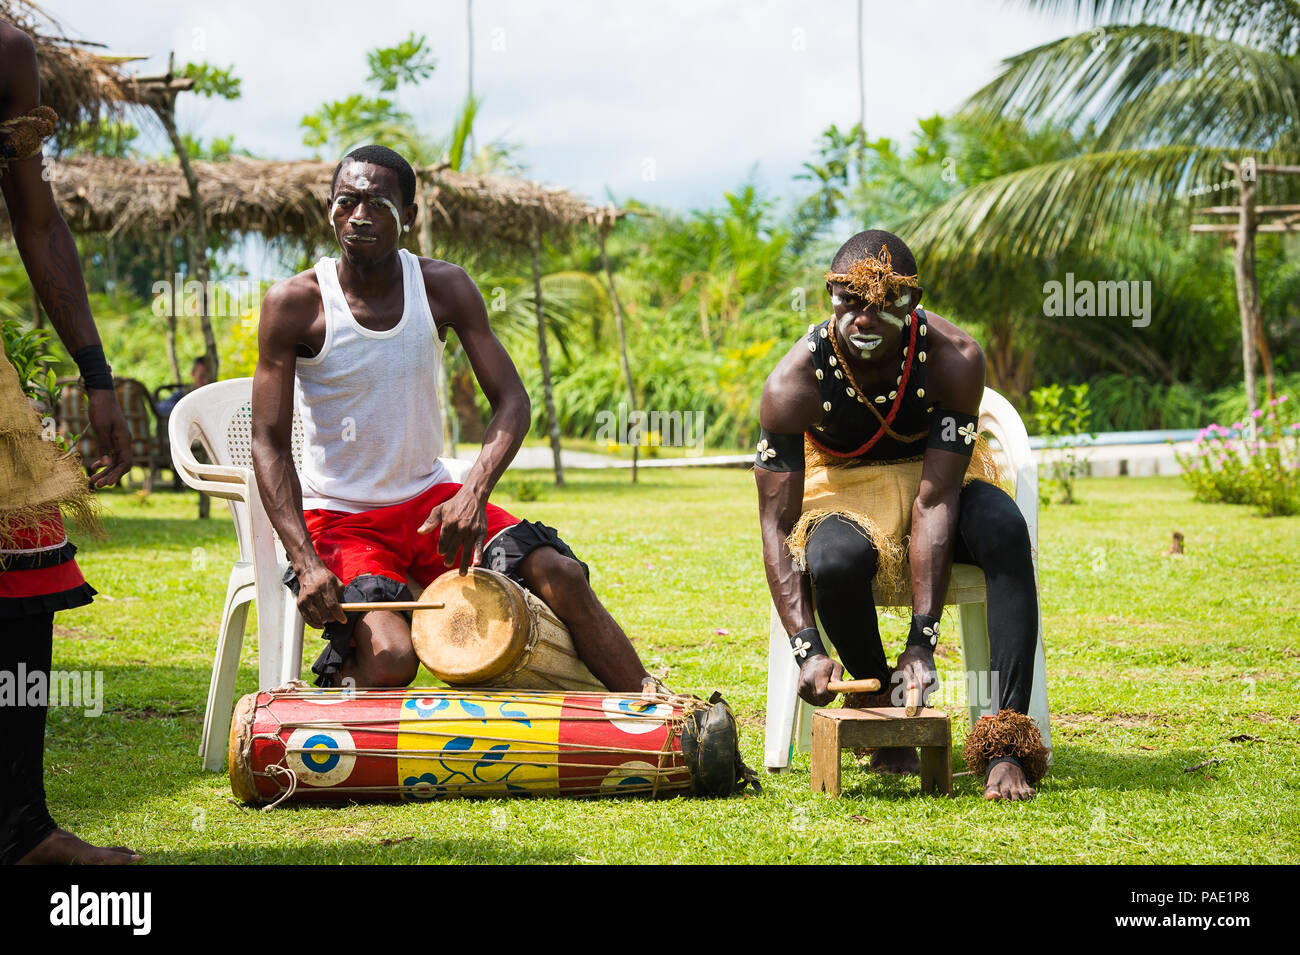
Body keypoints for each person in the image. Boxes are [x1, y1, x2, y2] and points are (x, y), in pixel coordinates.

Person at [252, 144, 656, 694]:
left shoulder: (442, 286)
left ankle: (660, 716)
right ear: (329, 208)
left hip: (430, 506)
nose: (360, 216)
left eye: (378, 204)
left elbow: (512, 401)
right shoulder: (296, 303)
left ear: (410, 216)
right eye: (346, 202)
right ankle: (330, 714)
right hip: (341, 521)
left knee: (559, 574)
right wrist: (305, 561)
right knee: (391, 657)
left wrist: (471, 492)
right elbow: (268, 444)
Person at [754, 229, 1047, 801]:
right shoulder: (792, 383)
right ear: (830, 297)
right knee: (831, 558)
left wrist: (923, 640)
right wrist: (806, 647)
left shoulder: (953, 357)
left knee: (1005, 530)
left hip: (938, 476)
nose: (865, 319)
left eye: (886, 304)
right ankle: (884, 719)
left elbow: (935, 500)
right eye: (849, 302)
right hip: (842, 487)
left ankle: (1007, 745)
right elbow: (776, 526)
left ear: (911, 303)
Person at [0, 19, 138, 863]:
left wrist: (96, 372)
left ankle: (20, 829)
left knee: (24, 559)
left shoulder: (6, 53)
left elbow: (37, 222)